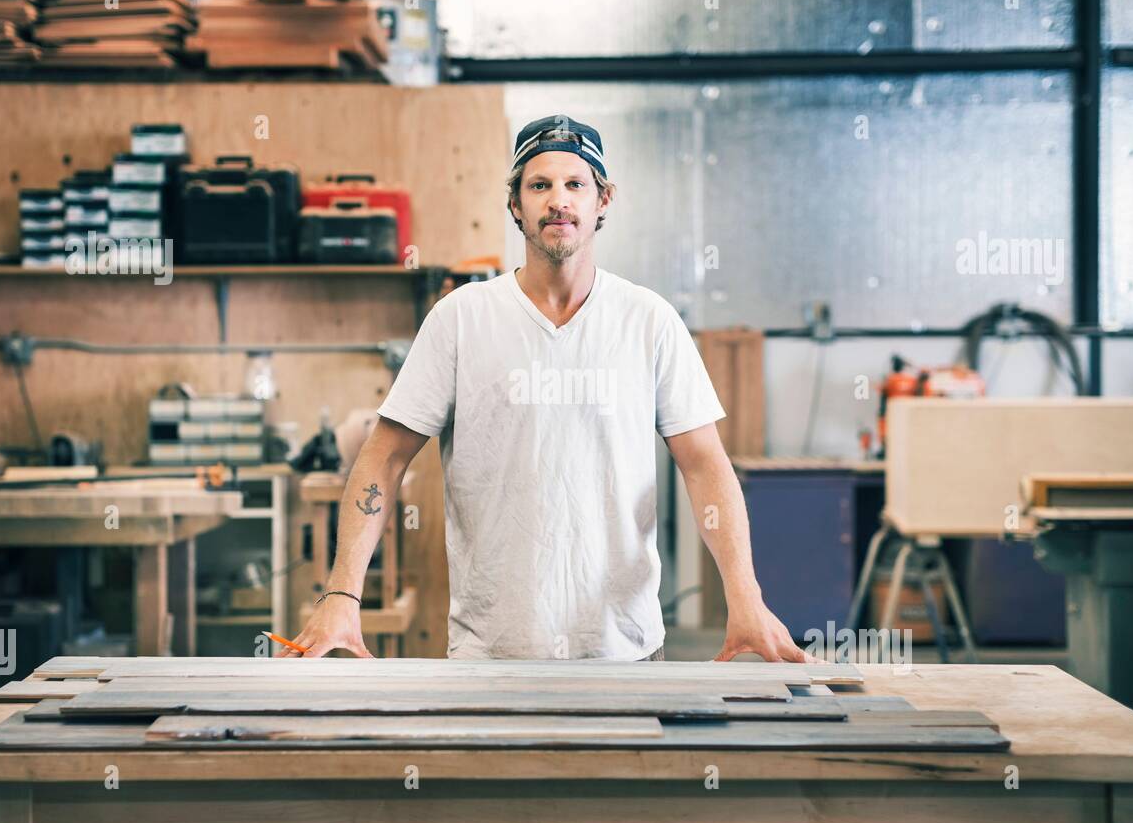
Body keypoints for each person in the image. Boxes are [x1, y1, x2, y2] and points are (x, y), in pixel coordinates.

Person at [284, 114, 816, 664]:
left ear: (603, 200)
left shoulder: (648, 320)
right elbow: (384, 457)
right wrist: (342, 594)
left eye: (575, 185)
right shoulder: (460, 319)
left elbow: (705, 464)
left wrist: (745, 598)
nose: (558, 200)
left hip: (625, 651)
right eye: (539, 185)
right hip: (490, 654)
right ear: (515, 204)